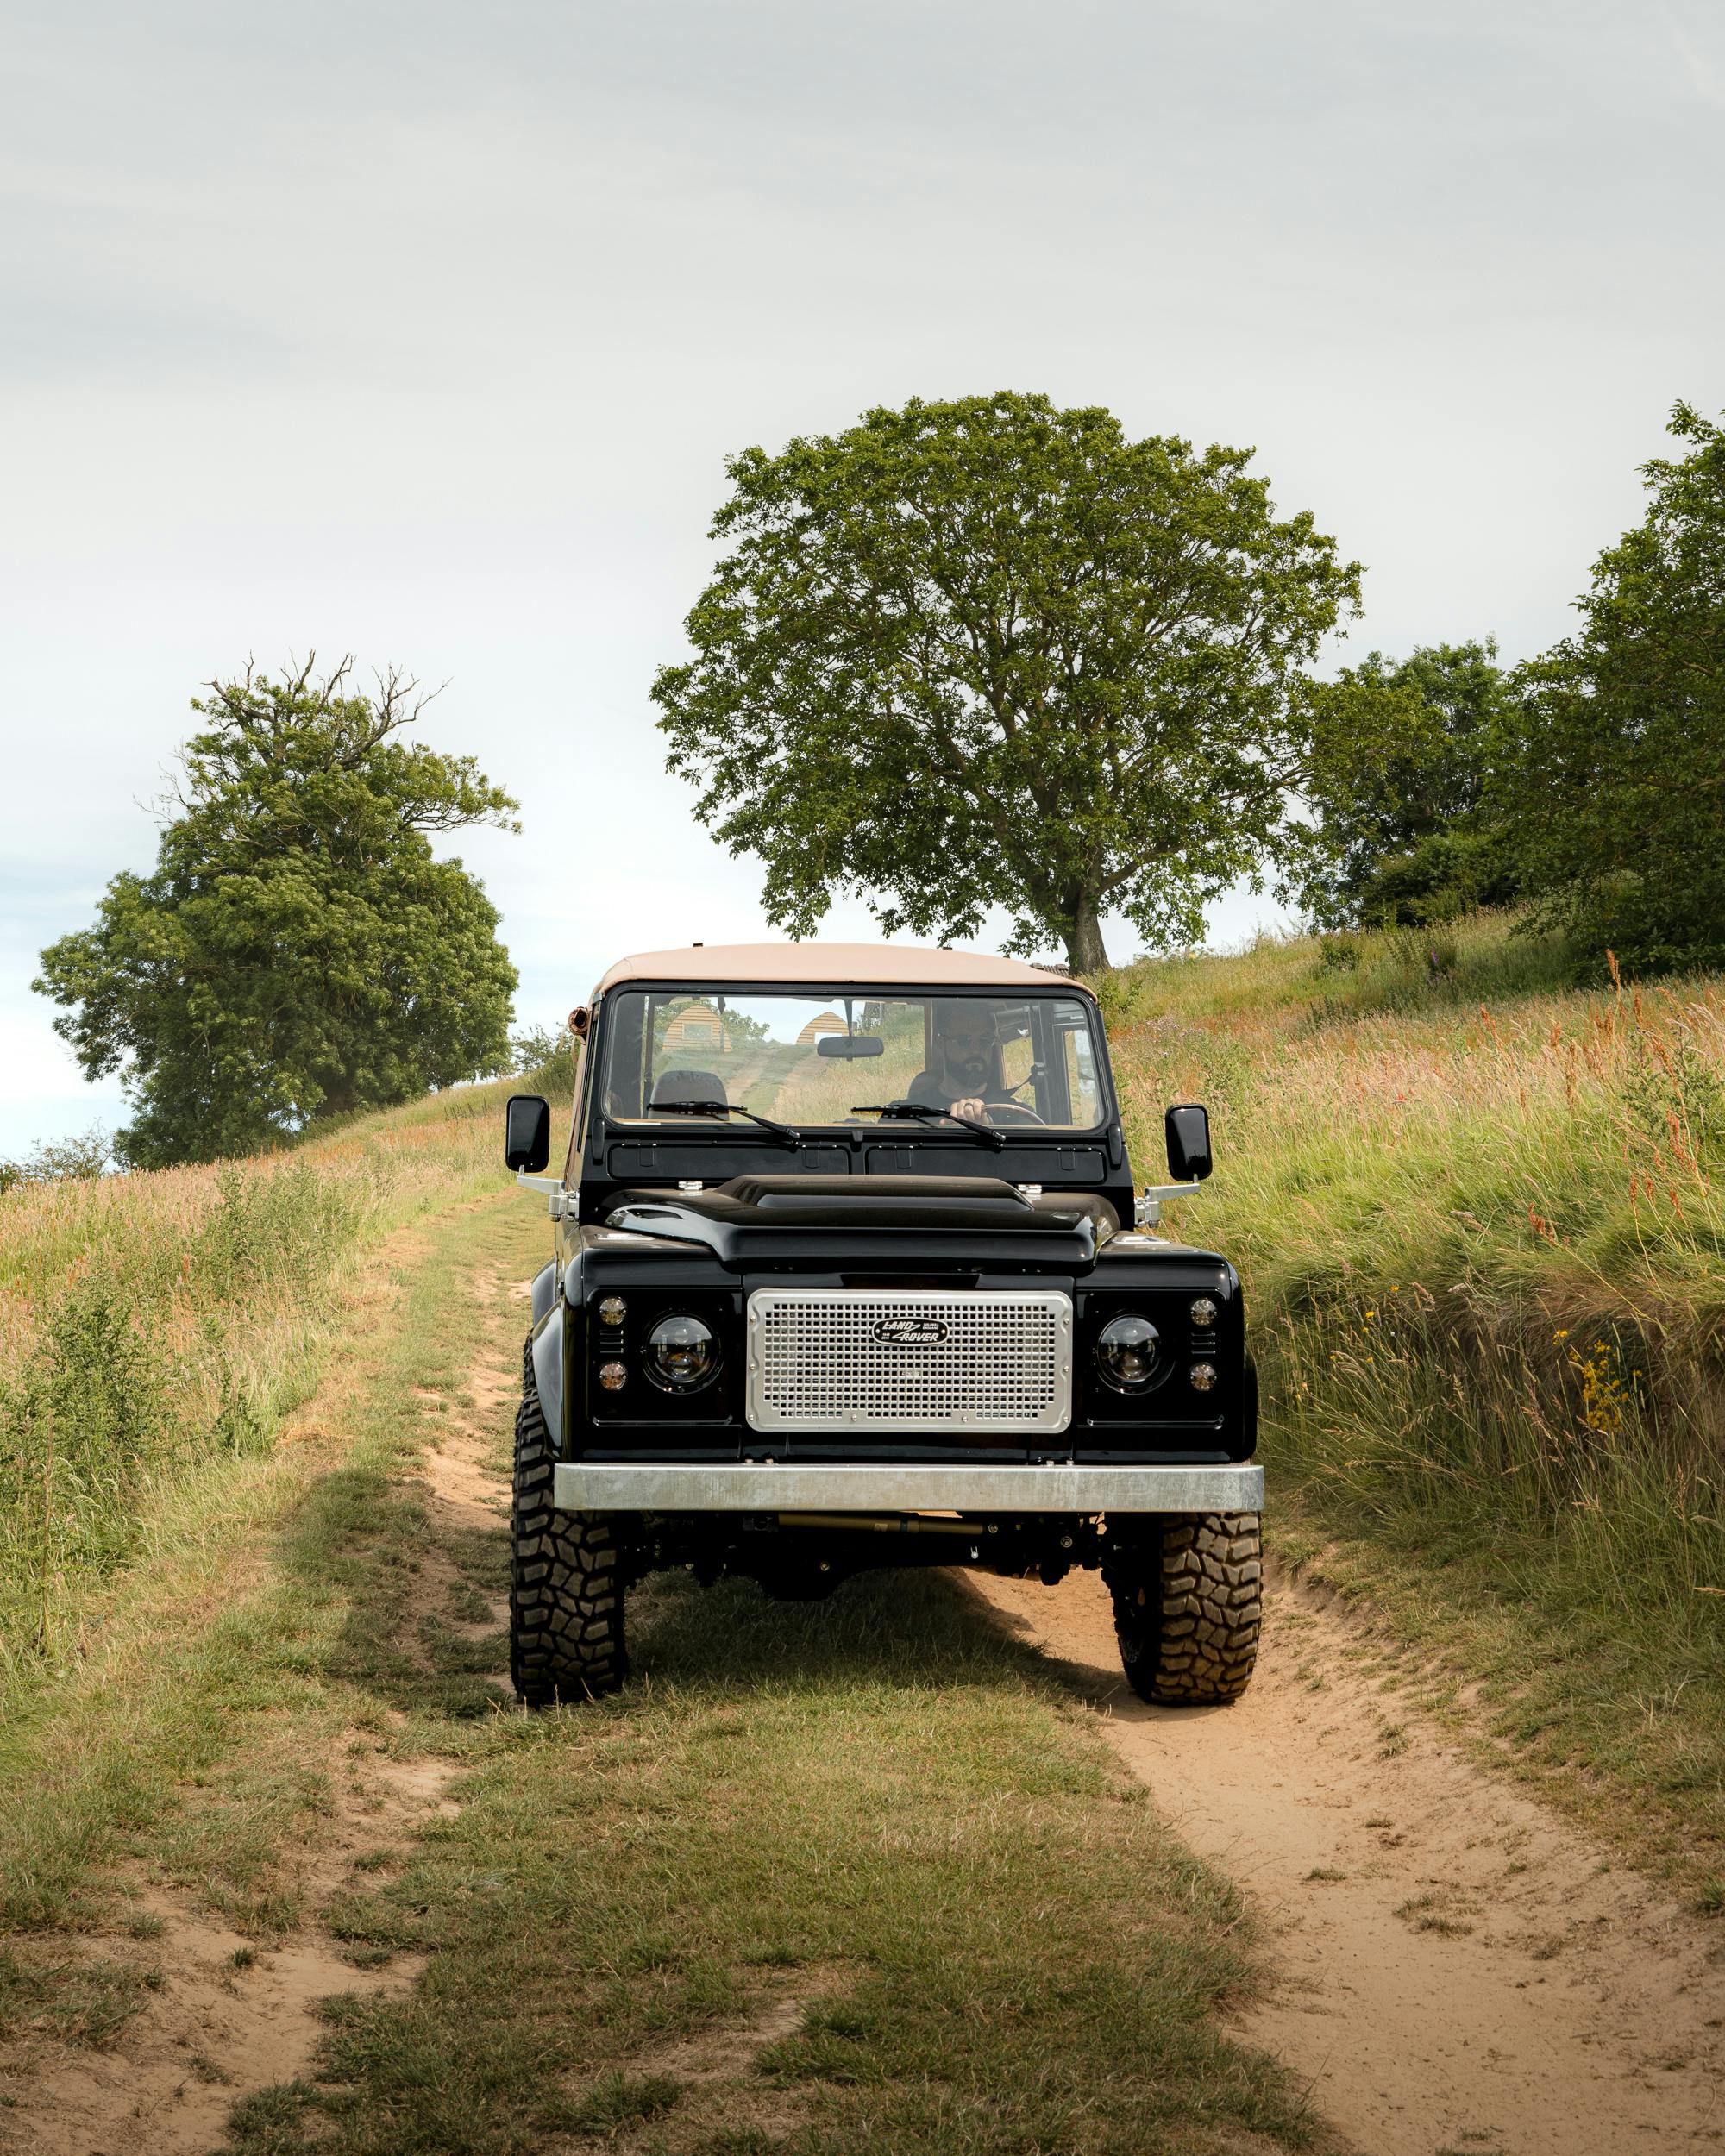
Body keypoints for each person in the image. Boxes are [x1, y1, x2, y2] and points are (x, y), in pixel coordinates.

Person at [906, 1000, 1013, 1120]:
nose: (976, 1050)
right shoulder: (908, 1115)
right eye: (964, 1040)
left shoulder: (1015, 1113)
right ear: (941, 1044)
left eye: (985, 1040)